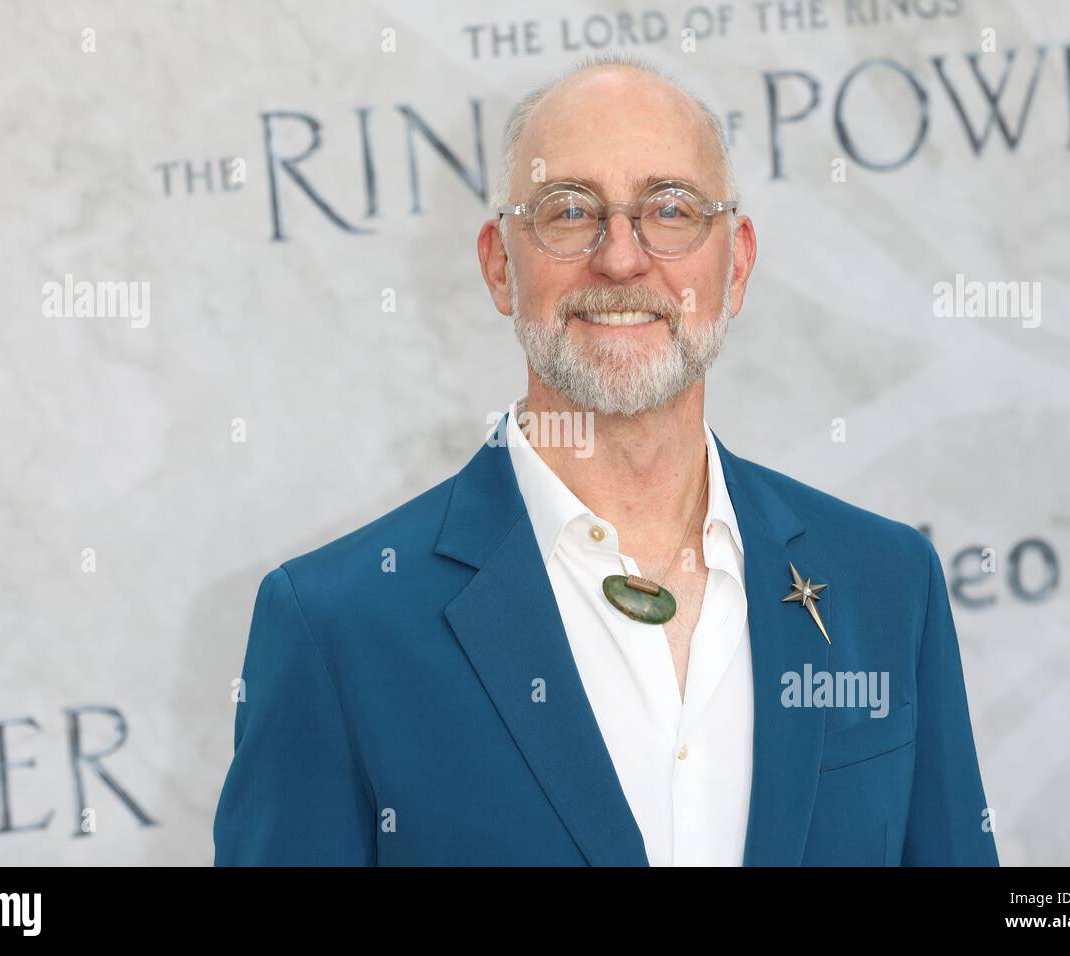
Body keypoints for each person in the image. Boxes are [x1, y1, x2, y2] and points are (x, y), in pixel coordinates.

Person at [213, 54, 998, 866]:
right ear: (498, 265)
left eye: (670, 208)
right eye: (569, 211)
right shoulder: (337, 626)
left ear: (736, 264)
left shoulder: (887, 582)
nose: (621, 259)